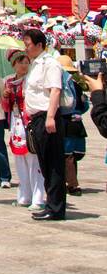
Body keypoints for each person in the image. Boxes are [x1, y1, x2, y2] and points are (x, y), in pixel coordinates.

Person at [22, 27, 66, 221]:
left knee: (53, 163)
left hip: (47, 118)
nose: (26, 49)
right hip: (36, 119)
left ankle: (56, 208)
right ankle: (51, 204)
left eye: (28, 45)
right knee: (45, 164)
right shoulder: (35, 64)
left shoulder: (50, 64)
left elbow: (55, 90)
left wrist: (50, 117)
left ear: (39, 45)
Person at [1, 50, 46, 209]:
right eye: (20, 62)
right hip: (15, 122)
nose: (24, 65)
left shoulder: (31, 80)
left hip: (29, 121)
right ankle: (24, 195)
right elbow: (5, 107)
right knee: (20, 162)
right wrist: (6, 96)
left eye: (26, 62)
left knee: (34, 160)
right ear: (14, 64)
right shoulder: (9, 82)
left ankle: (38, 197)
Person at [58, 54, 88, 196]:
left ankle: (72, 185)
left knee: (67, 154)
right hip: (77, 122)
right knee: (75, 154)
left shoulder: (59, 84)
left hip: (65, 121)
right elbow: (85, 106)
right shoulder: (78, 84)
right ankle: (71, 181)